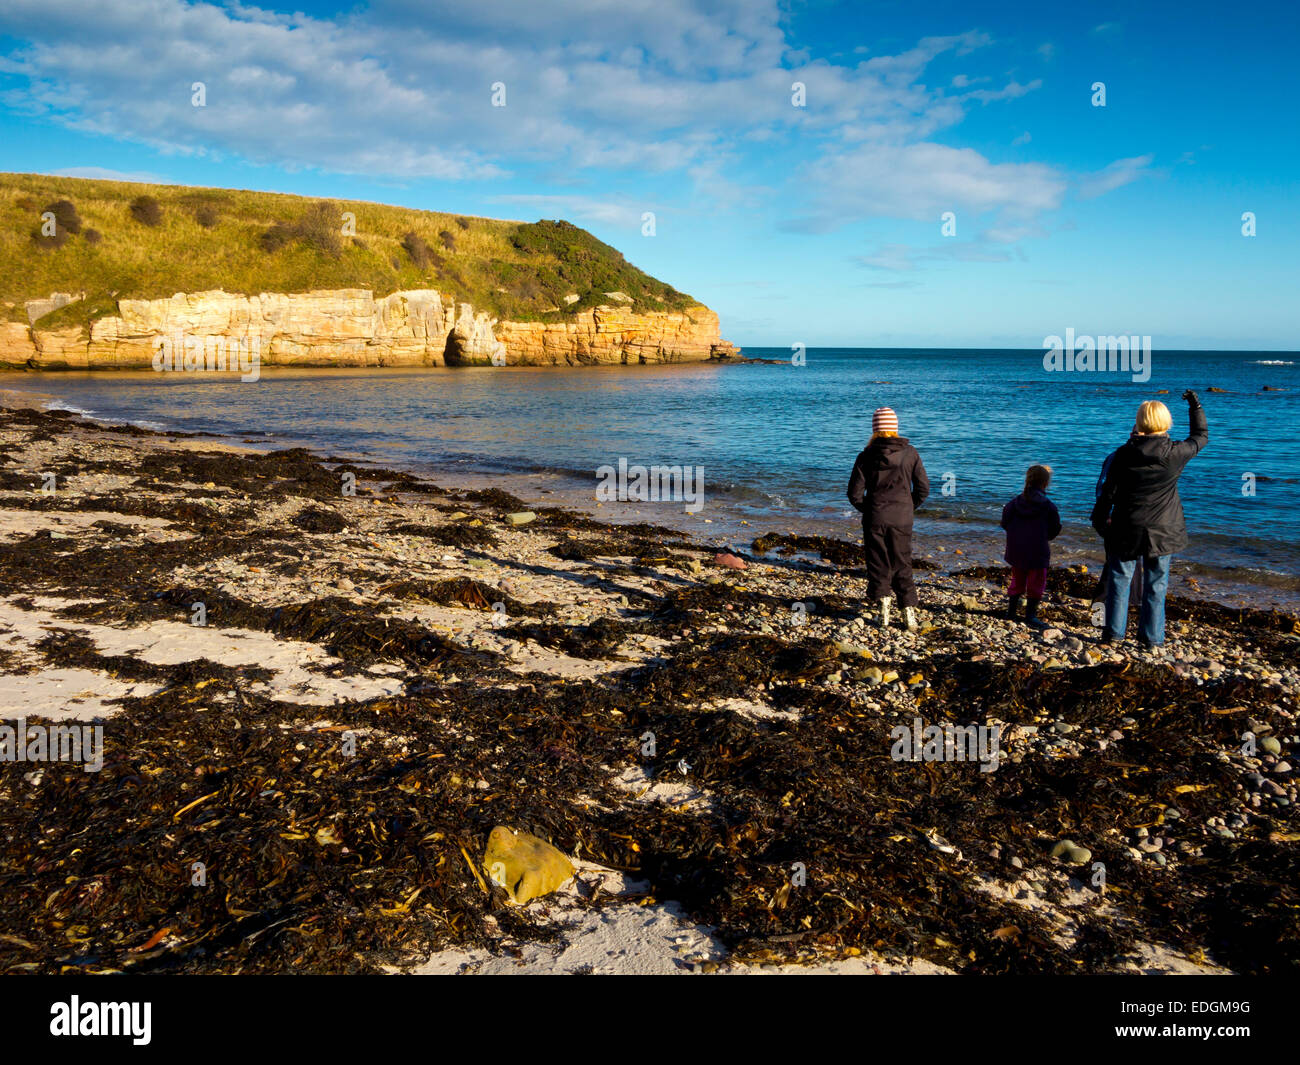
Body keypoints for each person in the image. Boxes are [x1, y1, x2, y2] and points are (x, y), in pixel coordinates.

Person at [1091, 390, 1208, 649]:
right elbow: (1200, 437)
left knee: (1120, 582)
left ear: (1140, 422)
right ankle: (1152, 640)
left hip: (1126, 527)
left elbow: (1108, 494)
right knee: (1156, 584)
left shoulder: (1122, 454)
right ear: (1165, 423)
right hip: (1163, 530)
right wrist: (1195, 406)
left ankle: (1113, 635)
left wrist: (1099, 522)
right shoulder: (1175, 453)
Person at [847, 407, 930, 630]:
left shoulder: (865, 456)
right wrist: (908, 506)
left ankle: (883, 610)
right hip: (902, 517)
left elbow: (854, 494)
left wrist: (870, 509)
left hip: (875, 516)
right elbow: (923, 489)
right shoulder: (910, 453)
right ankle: (908, 611)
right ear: (894, 428)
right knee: (902, 560)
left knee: (878, 561)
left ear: (875, 429)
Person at [1000, 464, 1062, 627]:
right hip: (1037, 549)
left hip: (1017, 548)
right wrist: (1044, 537)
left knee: (1017, 580)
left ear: (1027, 480)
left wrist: (1016, 535)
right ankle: (1031, 615)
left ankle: (1011, 612)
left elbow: (1005, 522)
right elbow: (1055, 528)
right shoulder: (1048, 506)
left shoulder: (1014, 503)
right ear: (1045, 484)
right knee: (1036, 582)